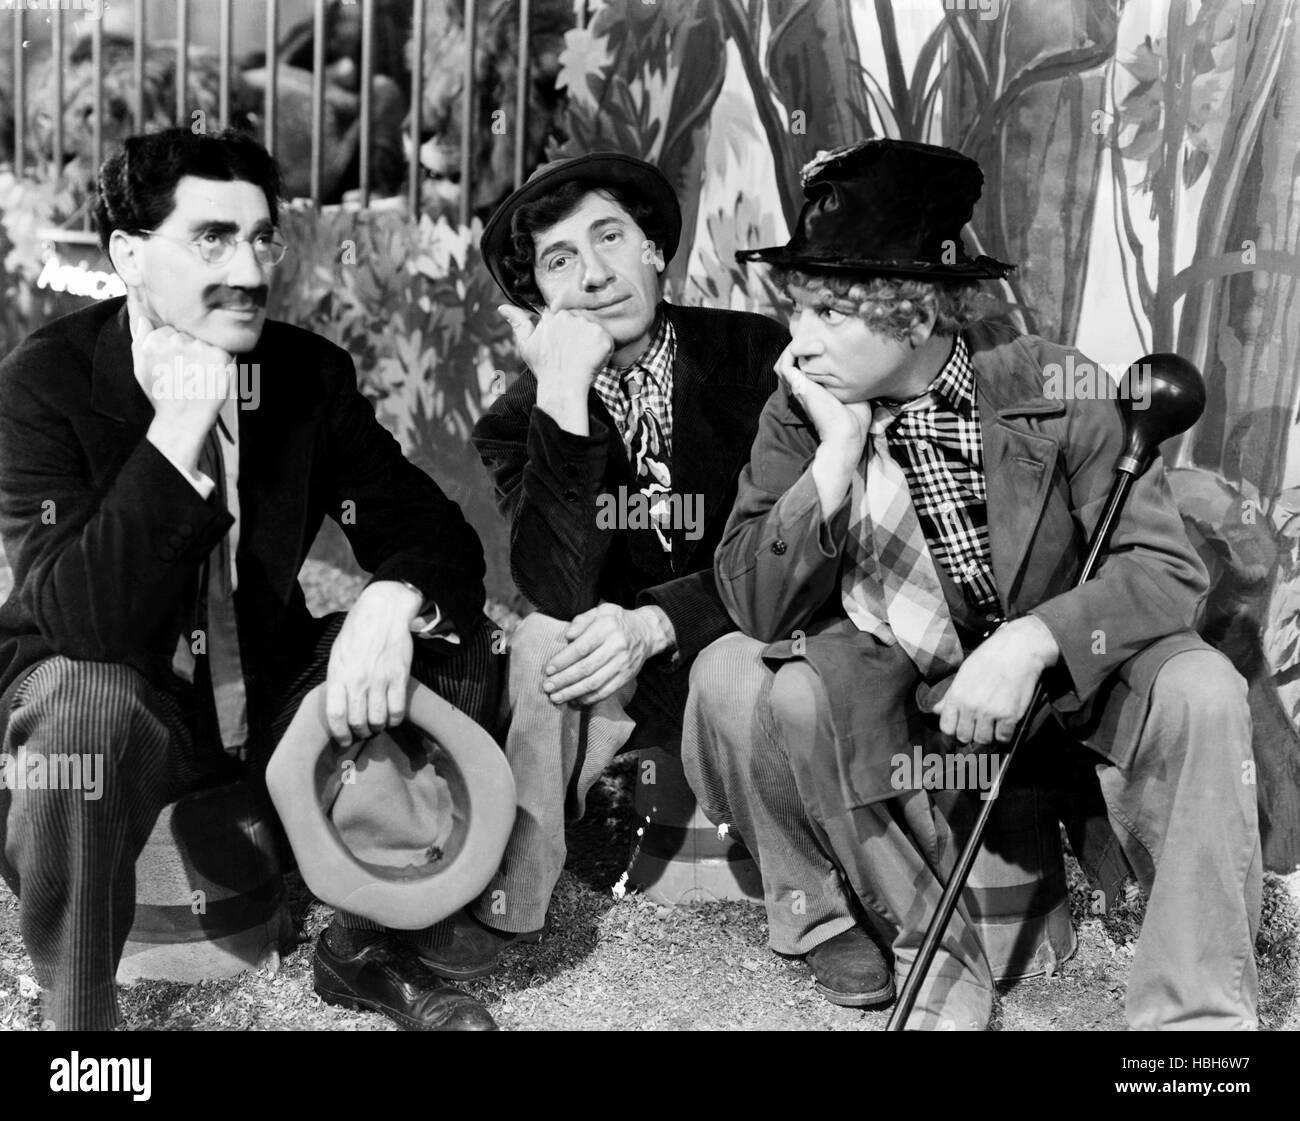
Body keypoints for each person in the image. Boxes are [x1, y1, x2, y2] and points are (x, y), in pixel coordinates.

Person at [683, 138, 1260, 1030]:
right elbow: (753, 604)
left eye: (832, 312)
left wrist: (1035, 641)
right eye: (800, 310)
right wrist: (834, 459)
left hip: (1060, 691)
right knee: (779, 685)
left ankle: (1196, 1027)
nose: (798, 345)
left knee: (1201, 687)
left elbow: (1166, 569)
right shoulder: (801, 410)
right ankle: (929, 950)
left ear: (915, 314)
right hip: (896, 695)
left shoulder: (1053, 386)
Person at [0, 128, 501, 1032]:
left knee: (457, 642)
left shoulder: (303, 375)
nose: (250, 267)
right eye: (212, 238)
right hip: (119, 694)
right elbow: (81, 619)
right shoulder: (47, 382)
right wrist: (180, 425)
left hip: (258, 690)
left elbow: (429, 529)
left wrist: (388, 601)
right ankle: (75, 1019)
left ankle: (364, 939)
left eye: (261, 237)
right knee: (86, 703)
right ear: (129, 255)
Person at [416, 152, 806, 987]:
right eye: (560, 262)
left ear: (654, 248)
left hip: (739, 635)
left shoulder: (752, 356)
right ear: (541, 300)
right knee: (540, 634)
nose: (593, 275)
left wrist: (658, 620)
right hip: (610, 677)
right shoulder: (520, 417)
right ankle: (507, 900)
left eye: (610, 238)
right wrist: (562, 392)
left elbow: (793, 545)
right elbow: (553, 587)